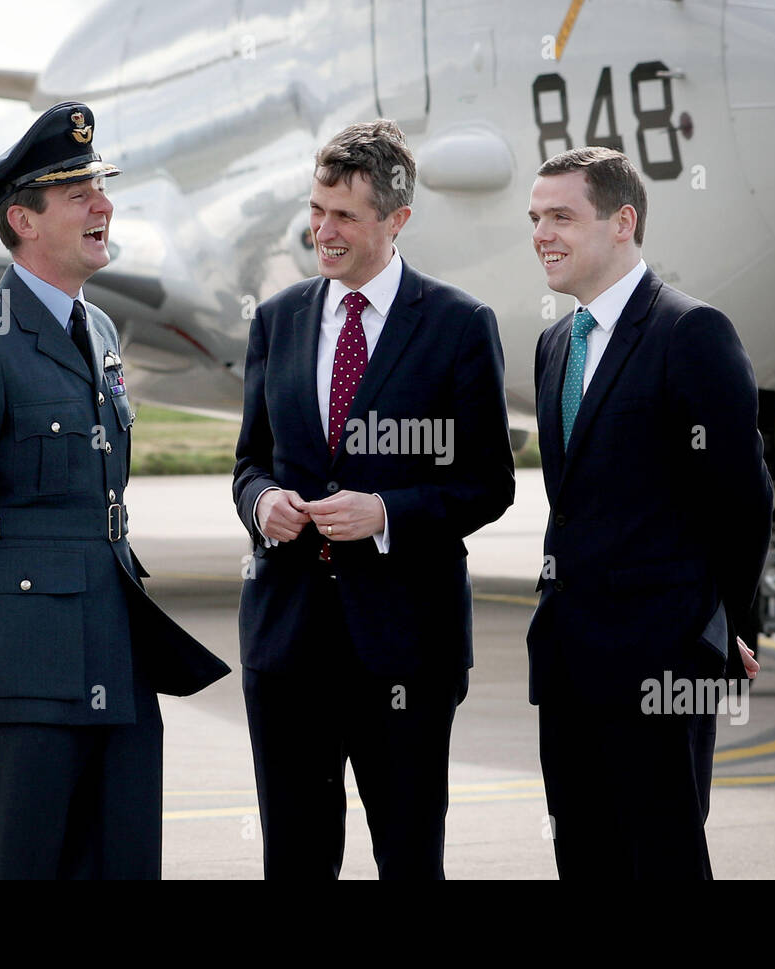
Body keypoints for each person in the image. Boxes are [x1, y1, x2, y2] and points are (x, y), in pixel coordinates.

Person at [0, 101, 229, 879]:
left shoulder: (104, 332)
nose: (104, 205)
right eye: (80, 193)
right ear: (25, 219)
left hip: (118, 648)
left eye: (101, 188)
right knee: (21, 864)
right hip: (23, 667)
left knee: (122, 864)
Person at [232, 119, 514, 879]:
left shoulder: (458, 327)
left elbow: (489, 483)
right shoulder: (277, 320)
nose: (321, 229)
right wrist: (263, 506)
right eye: (317, 208)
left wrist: (387, 514)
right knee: (293, 862)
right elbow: (249, 463)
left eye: (345, 216)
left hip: (405, 652)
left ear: (397, 221)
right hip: (286, 650)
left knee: (410, 860)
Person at [526, 146, 772, 879]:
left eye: (561, 216)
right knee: (585, 859)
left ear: (622, 221)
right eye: (535, 217)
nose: (542, 233)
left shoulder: (690, 333)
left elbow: (743, 497)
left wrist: (724, 627)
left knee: (662, 859)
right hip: (567, 662)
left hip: (660, 663)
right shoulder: (553, 347)